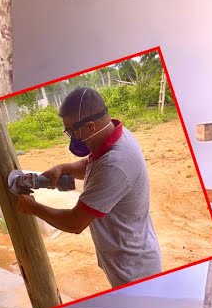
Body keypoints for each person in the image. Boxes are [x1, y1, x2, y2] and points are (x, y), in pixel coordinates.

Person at [15, 87, 162, 288]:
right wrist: (62, 168)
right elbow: (93, 164)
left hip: (132, 270)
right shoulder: (116, 136)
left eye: (72, 132)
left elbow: (75, 223)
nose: (72, 138)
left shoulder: (115, 164)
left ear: (91, 126)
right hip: (126, 255)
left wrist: (33, 208)